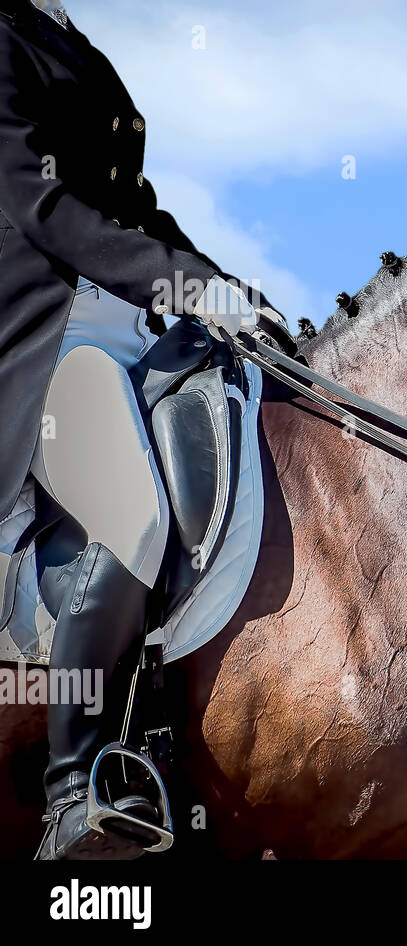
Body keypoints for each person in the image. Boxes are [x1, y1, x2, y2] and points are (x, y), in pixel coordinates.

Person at [0, 0, 288, 858]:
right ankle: (73, 789)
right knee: (137, 516)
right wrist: (180, 287)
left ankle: (166, 732)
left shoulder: (75, 45)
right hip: (49, 333)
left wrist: (217, 286)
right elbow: (40, 205)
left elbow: (136, 211)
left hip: (135, 321)